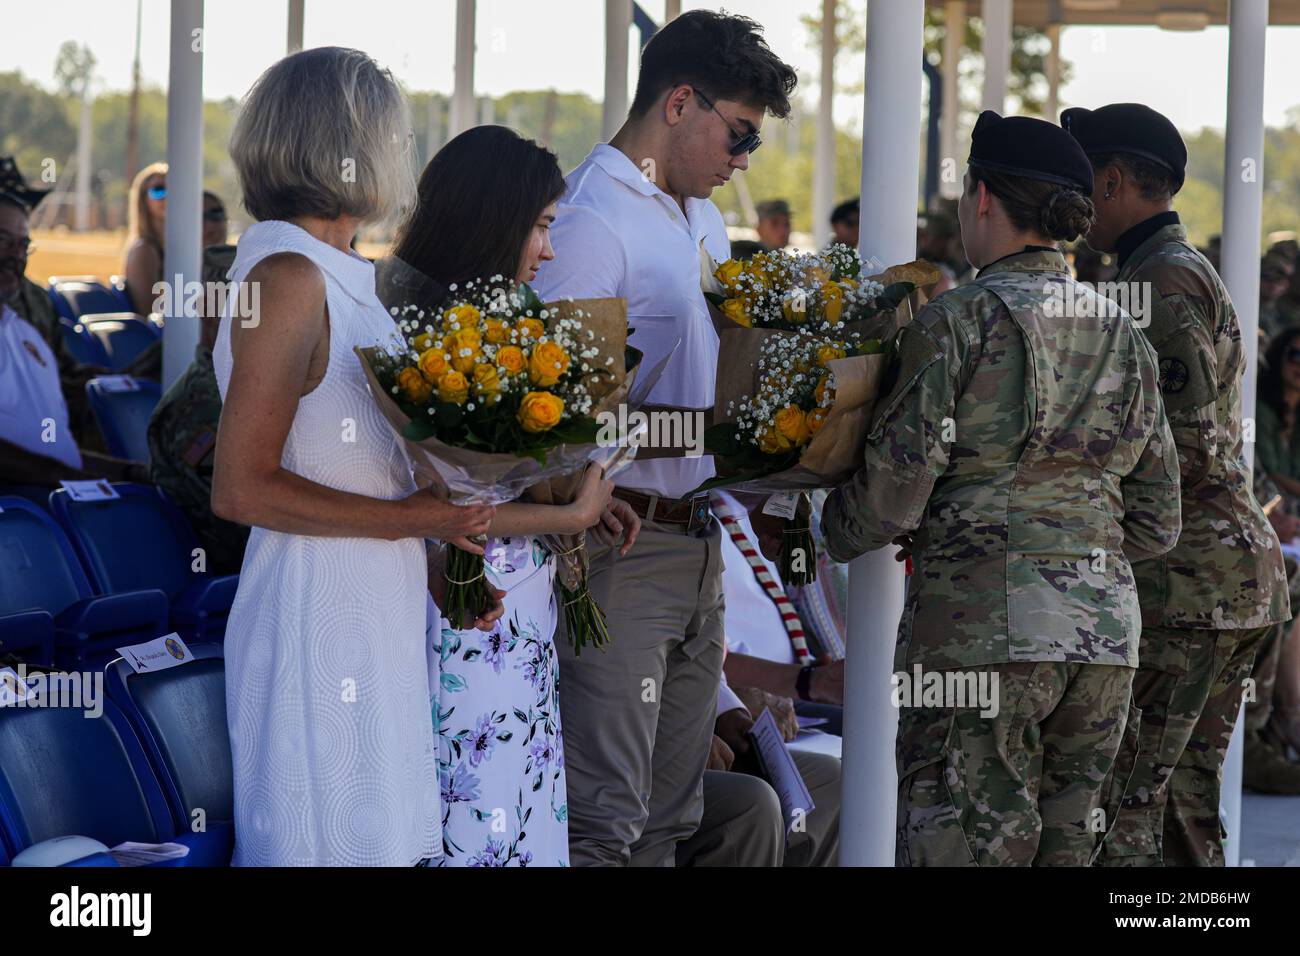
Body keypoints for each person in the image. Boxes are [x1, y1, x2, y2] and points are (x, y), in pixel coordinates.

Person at [822, 111, 1181, 867]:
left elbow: (891, 498)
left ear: (982, 198)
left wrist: (823, 524)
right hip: (1104, 640)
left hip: (976, 636)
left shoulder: (957, 321)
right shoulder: (1124, 331)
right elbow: (1159, 519)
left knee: (960, 844)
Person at [209, 47, 499, 867]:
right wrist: (415, 519)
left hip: (381, 603)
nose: (400, 154)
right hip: (316, 608)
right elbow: (240, 488)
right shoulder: (289, 274)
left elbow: (373, 462)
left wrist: (442, 562)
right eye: (394, 135)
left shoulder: (344, 276)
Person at [531, 9, 798, 866]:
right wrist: (716, 432)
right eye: (740, 135)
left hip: (697, 537)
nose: (744, 161)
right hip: (620, 540)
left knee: (670, 821)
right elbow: (556, 427)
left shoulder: (703, 219)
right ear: (680, 102)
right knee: (605, 820)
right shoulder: (587, 220)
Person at [384, 124, 640, 867]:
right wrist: (569, 513)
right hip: (464, 618)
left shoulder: (501, 329)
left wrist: (570, 487)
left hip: (521, 621)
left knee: (524, 812)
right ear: (491, 221)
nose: (549, 251)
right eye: (540, 227)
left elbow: (499, 474)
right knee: (476, 824)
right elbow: (434, 506)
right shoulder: (410, 334)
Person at [1065, 103, 1290, 867]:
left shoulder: (1158, 280)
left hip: (1189, 582)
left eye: (1084, 178)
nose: (1075, 198)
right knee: (1180, 807)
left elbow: (1184, 442)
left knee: (1131, 800)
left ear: (1116, 180)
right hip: (1219, 579)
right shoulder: (1167, 269)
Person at [0, 166, 146, 494]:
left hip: (55, 505)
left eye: (23, 245)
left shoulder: (23, 333)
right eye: (2, 240)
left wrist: (132, 473)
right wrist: (68, 479)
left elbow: (58, 454)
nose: (15, 256)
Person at [147, 244, 249, 576]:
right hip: (223, 588)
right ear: (207, 309)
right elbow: (237, 523)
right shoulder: (200, 406)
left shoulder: (244, 388)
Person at [0, 156, 108, 452]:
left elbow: (57, 364)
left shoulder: (34, 297)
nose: (14, 253)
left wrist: (85, 376)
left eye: (22, 244)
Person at [123, 162, 167, 315]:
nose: (169, 196)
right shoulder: (144, 250)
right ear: (143, 200)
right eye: (159, 190)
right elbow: (149, 313)